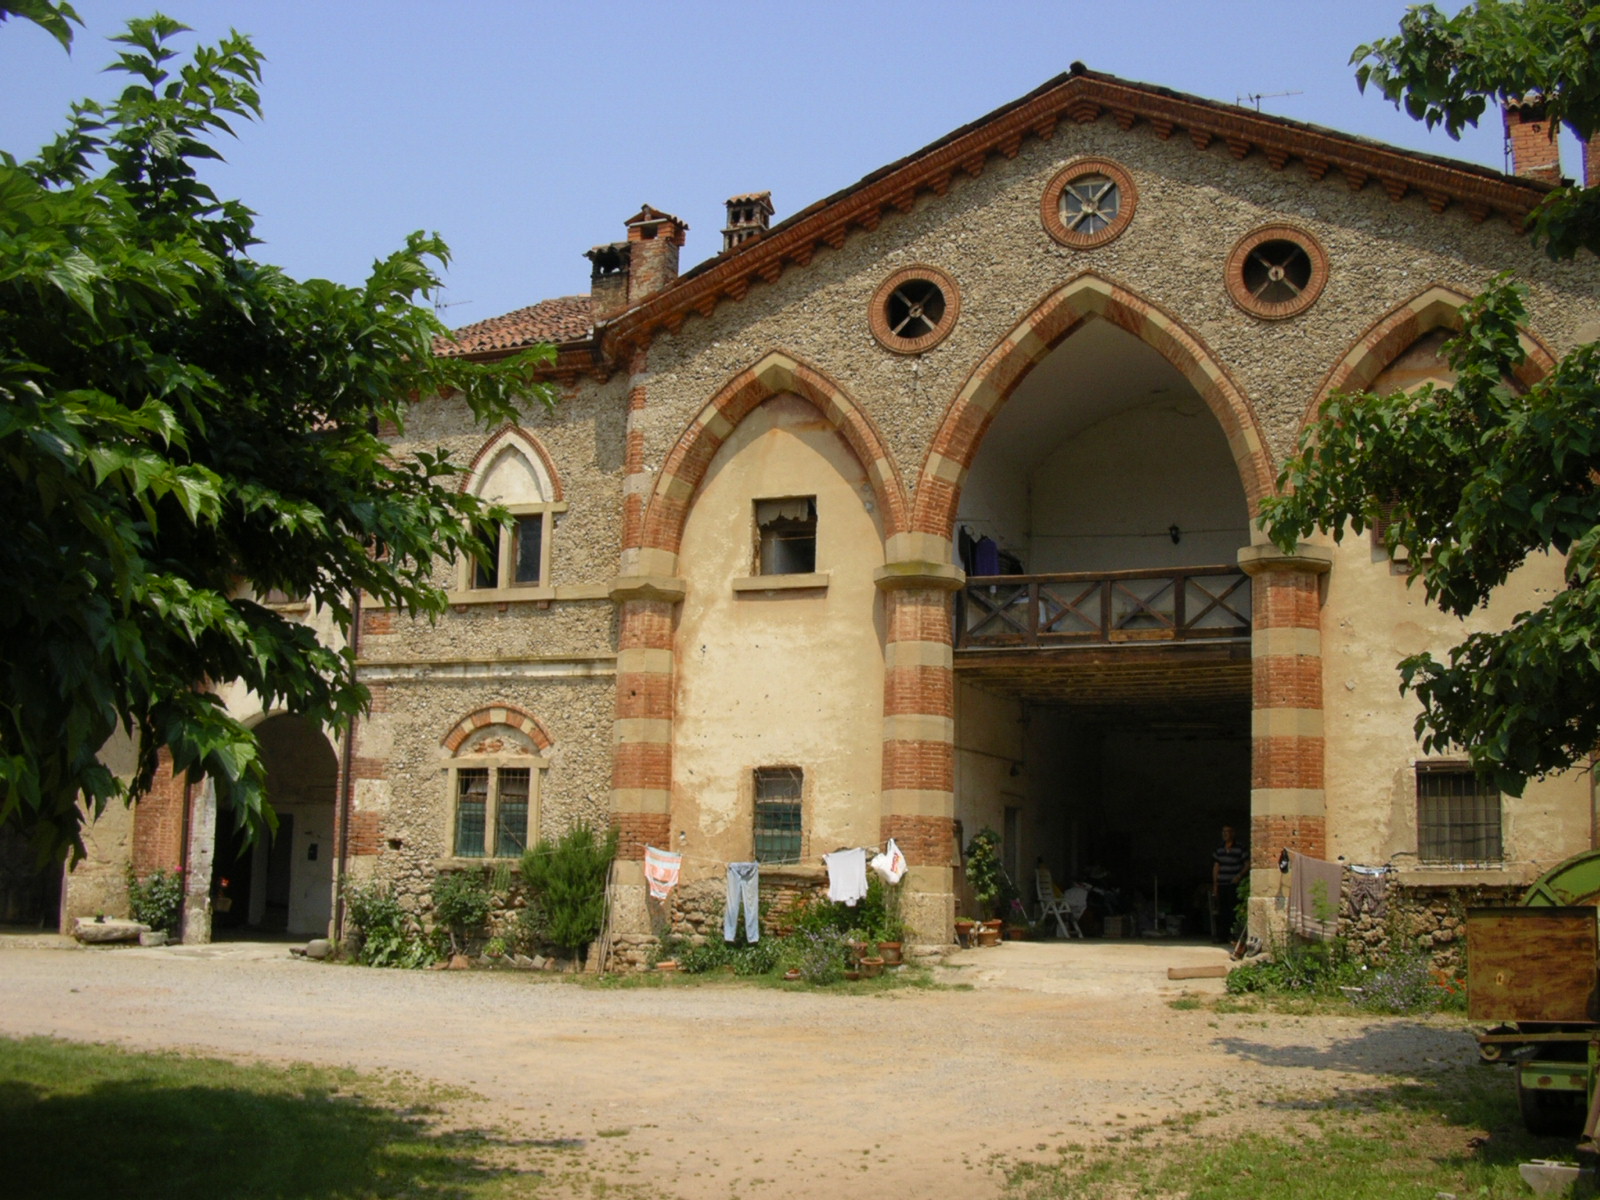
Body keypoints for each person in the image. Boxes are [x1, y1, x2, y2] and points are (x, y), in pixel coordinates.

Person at [1212, 825, 1247, 944]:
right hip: (1222, 883)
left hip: (1234, 884)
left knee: (1233, 909)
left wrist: (1239, 876)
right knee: (1222, 910)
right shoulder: (1219, 849)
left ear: (1233, 833)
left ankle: (1234, 935)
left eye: (1227, 831)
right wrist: (1215, 884)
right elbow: (1216, 866)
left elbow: (1247, 864)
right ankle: (1222, 935)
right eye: (1223, 832)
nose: (1225, 834)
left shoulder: (1240, 848)